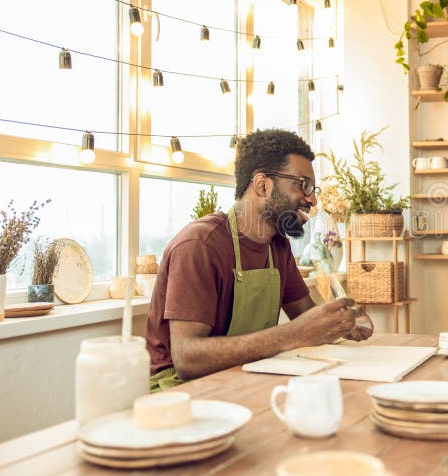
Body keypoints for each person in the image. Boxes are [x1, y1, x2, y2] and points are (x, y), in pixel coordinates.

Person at [146, 129, 372, 390]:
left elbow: (307, 317)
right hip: (178, 391)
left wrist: (339, 322)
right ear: (262, 185)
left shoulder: (277, 247)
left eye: (313, 188)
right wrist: (295, 334)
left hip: (244, 375)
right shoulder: (199, 245)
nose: (312, 199)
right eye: (303, 185)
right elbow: (187, 359)